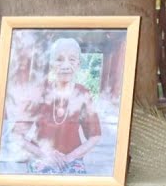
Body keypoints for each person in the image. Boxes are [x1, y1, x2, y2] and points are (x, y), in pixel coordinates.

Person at [7, 37, 103, 174]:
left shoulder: (83, 94)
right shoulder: (39, 93)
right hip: (41, 156)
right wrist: (44, 154)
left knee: (75, 185)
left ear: (78, 64)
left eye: (72, 59)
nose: (65, 65)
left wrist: (70, 157)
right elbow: (17, 135)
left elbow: (95, 136)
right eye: (59, 59)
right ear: (51, 64)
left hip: (72, 158)